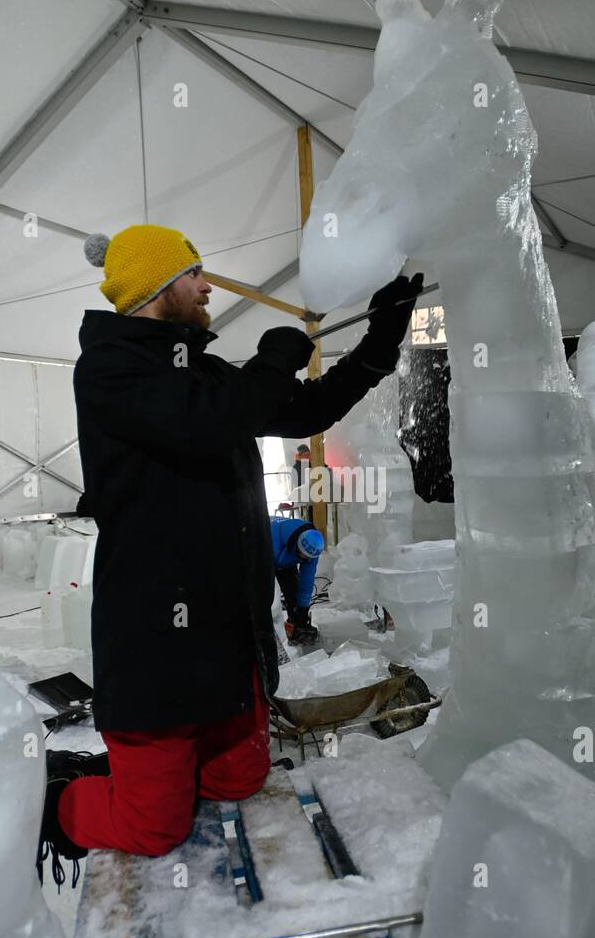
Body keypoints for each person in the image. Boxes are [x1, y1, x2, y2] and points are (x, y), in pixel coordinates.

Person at [37, 220, 422, 881]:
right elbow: (206, 424)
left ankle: (142, 774)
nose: (207, 286)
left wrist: (379, 341)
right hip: (156, 639)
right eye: (193, 274)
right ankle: (54, 805)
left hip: (225, 637)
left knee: (237, 782)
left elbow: (302, 410)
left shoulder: (205, 372)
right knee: (155, 826)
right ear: (159, 287)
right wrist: (274, 359)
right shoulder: (109, 368)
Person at [270, 517, 324, 645]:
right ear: (297, 544)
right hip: (265, 555)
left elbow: (307, 579)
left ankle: (295, 628)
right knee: (269, 600)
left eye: (307, 558)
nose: (305, 559)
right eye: (302, 555)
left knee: (294, 595)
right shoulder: (270, 538)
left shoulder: (313, 548)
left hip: (286, 560)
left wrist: (303, 608)